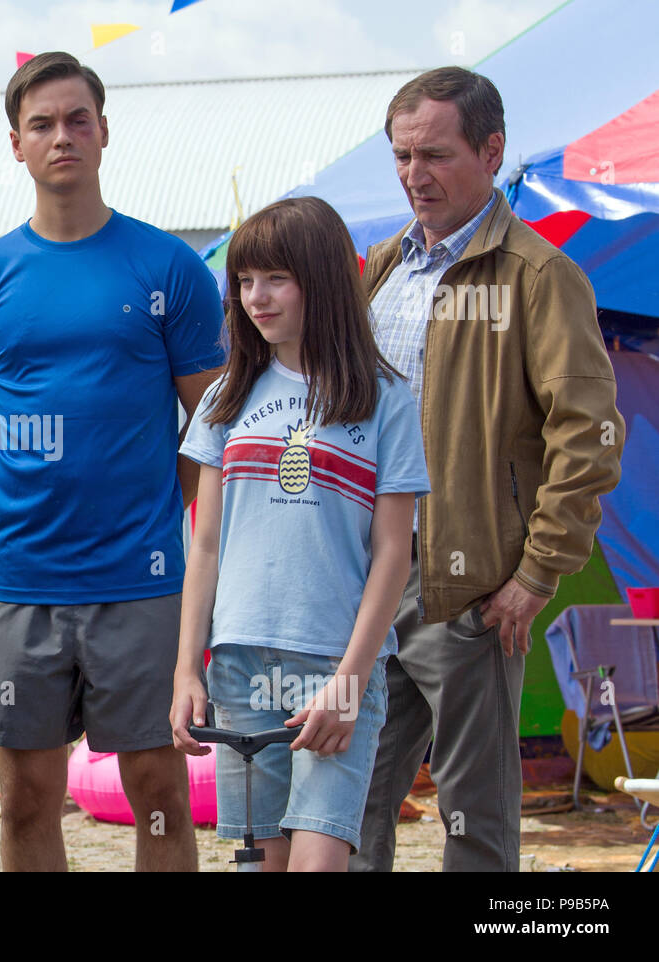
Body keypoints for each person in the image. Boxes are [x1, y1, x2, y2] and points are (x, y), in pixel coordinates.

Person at [0, 51, 225, 872]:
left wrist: (159, 505)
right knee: (28, 794)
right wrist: (17, 506)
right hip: (24, 580)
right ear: (16, 145)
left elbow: (207, 418)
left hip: (143, 578)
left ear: (103, 133)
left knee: (160, 793)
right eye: (42, 124)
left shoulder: (168, 266)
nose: (61, 136)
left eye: (77, 120)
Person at [353, 67, 625, 872]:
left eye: (433, 154)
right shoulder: (381, 271)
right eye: (401, 156)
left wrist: (536, 576)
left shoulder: (542, 278)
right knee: (349, 800)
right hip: (367, 579)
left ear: (493, 150)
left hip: (469, 591)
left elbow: (591, 434)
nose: (413, 175)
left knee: (474, 821)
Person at [170, 196, 430, 871]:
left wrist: (352, 678)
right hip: (239, 664)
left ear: (322, 280)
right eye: (245, 279)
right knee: (260, 866)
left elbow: (393, 555)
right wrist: (185, 668)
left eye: (276, 278)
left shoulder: (384, 399)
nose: (256, 296)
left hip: (334, 664)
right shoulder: (228, 396)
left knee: (321, 863)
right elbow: (203, 546)